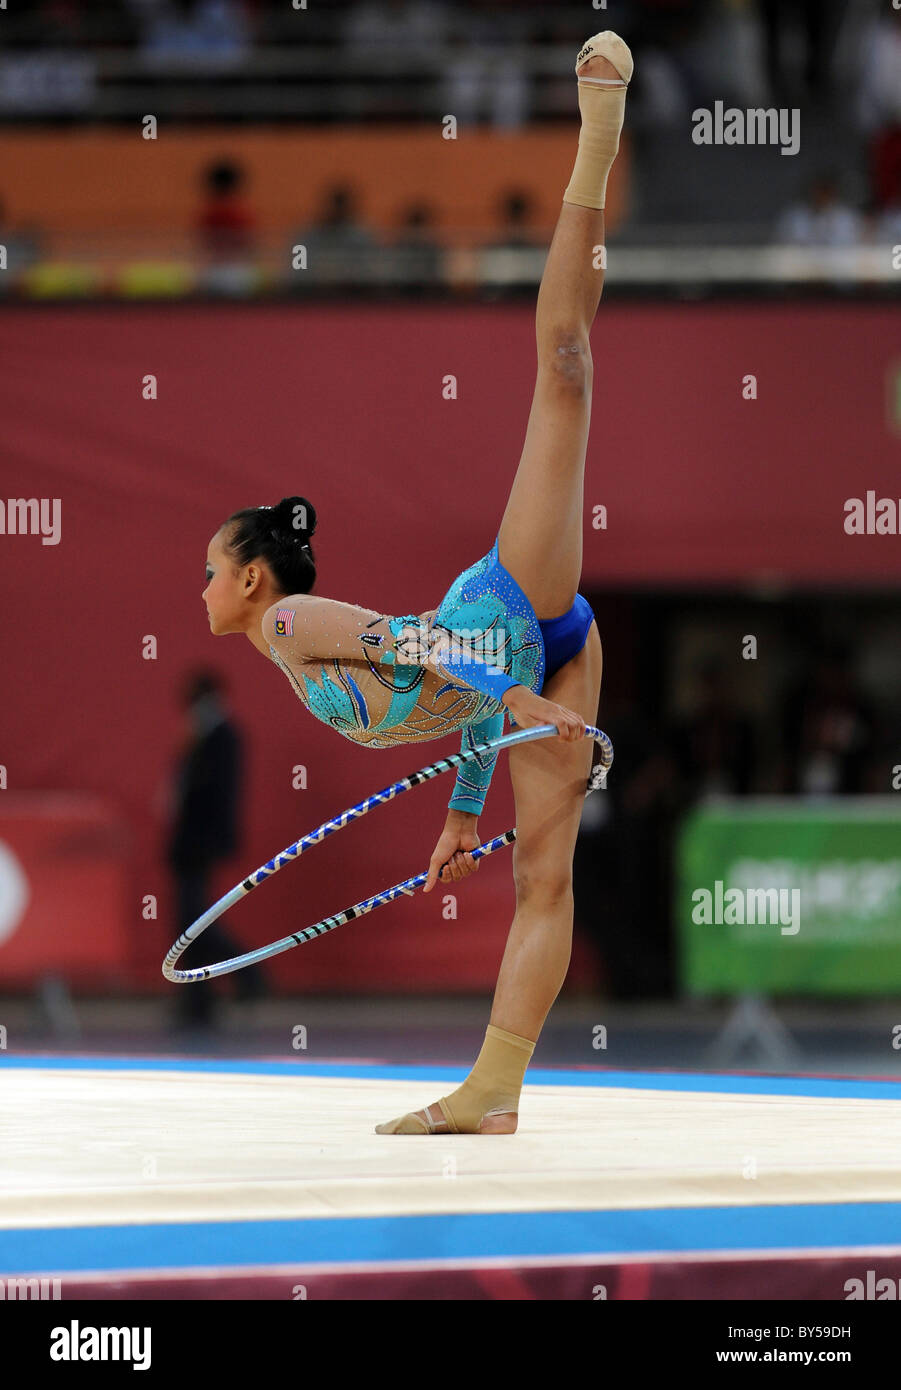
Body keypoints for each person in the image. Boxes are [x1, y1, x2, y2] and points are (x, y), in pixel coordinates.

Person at [200, 31, 632, 1133]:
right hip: (542, 666)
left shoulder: (294, 624)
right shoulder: (283, 648)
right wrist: (462, 805)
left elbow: (411, 643)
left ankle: (594, 146)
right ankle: (492, 1094)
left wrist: (514, 699)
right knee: (542, 883)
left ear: (253, 581)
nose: (197, 589)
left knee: (565, 369)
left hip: (514, 606)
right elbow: (454, 700)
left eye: (209, 571)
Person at [166, 669, 264, 1031]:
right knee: (191, 921)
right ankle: (198, 1000)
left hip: (199, 843)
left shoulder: (220, 736)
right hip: (192, 843)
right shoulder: (204, 734)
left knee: (194, 924)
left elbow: (212, 795)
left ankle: (249, 973)